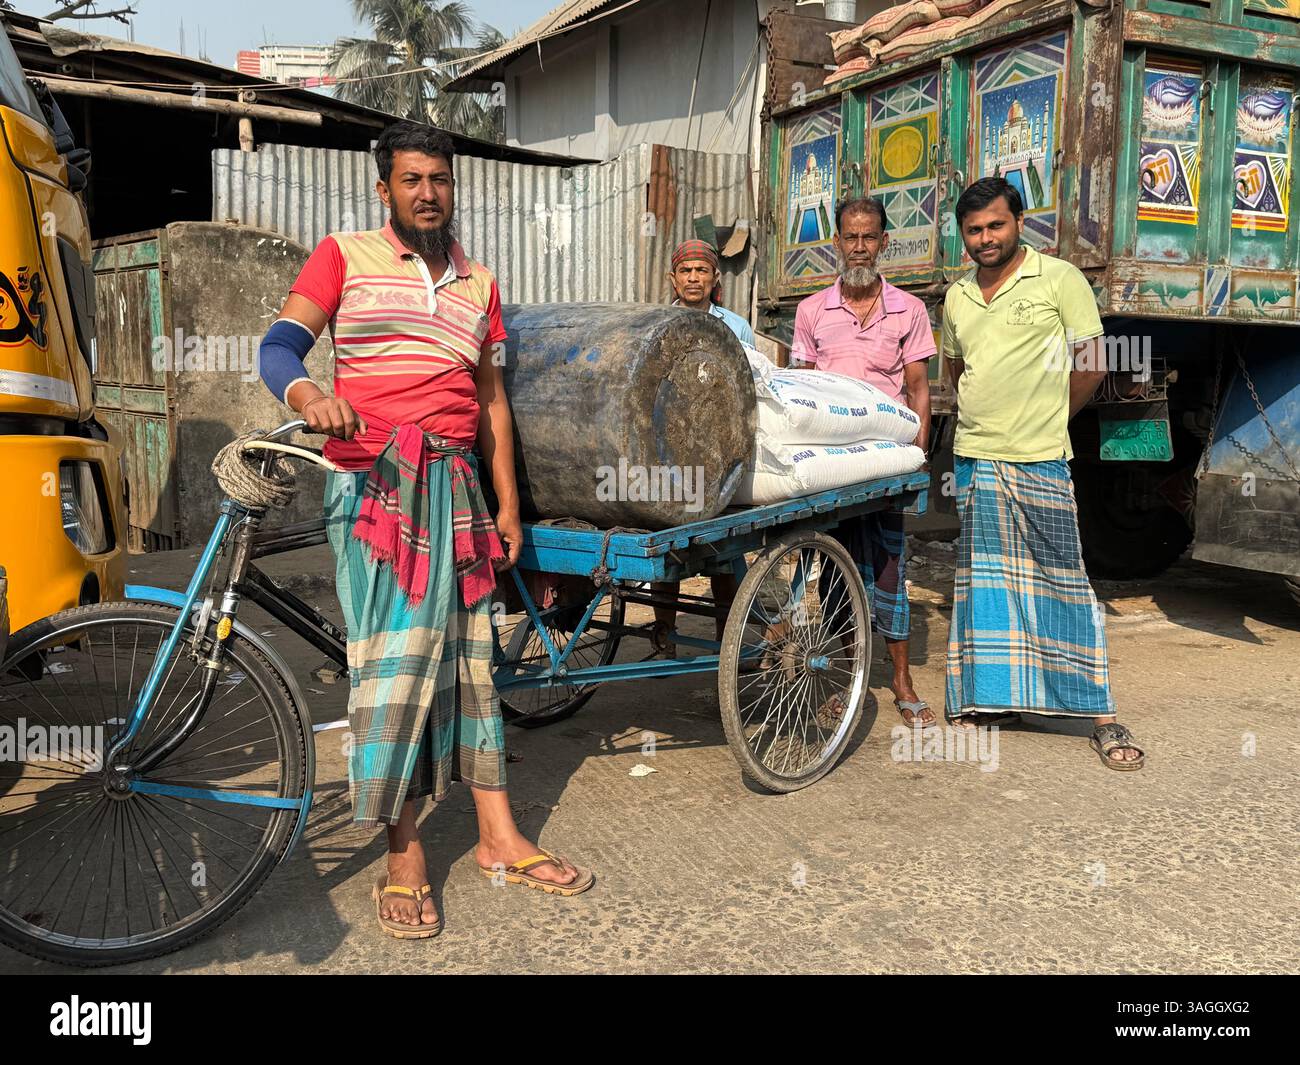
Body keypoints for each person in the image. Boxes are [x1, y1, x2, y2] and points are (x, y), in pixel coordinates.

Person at [257, 121, 594, 940]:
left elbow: (491, 403)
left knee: (473, 664)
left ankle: (497, 835)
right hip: (375, 492)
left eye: (439, 179)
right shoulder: (342, 255)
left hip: (459, 491)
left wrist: (508, 504)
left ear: (452, 187)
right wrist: (309, 398)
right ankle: (403, 850)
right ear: (386, 191)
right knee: (396, 670)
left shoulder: (481, 284)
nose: (428, 192)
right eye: (411, 179)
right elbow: (278, 349)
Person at [940, 176, 1145, 770]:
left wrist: (1052, 417)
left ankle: (1100, 714)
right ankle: (994, 699)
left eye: (995, 225)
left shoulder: (1059, 278)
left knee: (1061, 578)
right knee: (987, 581)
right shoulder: (957, 296)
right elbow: (956, 368)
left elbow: (1092, 362)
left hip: (1040, 456)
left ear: (1019, 222)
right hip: (976, 456)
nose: (985, 238)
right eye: (974, 229)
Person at [789, 197, 936, 728]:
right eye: (850, 237)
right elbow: (795, 389)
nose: (859, 247)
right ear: (836, 243)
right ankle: (845, 675)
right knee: (833, 566)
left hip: (888, 463)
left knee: (891, 566)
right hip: (832, 465)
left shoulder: (909, 309)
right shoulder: (811, 311)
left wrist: (918, 456)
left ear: (883, 243)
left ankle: (900, 679)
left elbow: (919, 389)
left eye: (869, 237)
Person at [649, 239, 753, 654]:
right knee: (668, 545)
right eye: (686, 271)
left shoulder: (736, 327)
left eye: (701, 271)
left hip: (718, 446)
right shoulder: (655, 321)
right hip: (669, 448)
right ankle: (663, 639)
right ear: (673, 278)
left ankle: (728, 640)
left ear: (715, 279)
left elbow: (749, 388)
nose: (694, 278)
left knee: (724, 548)